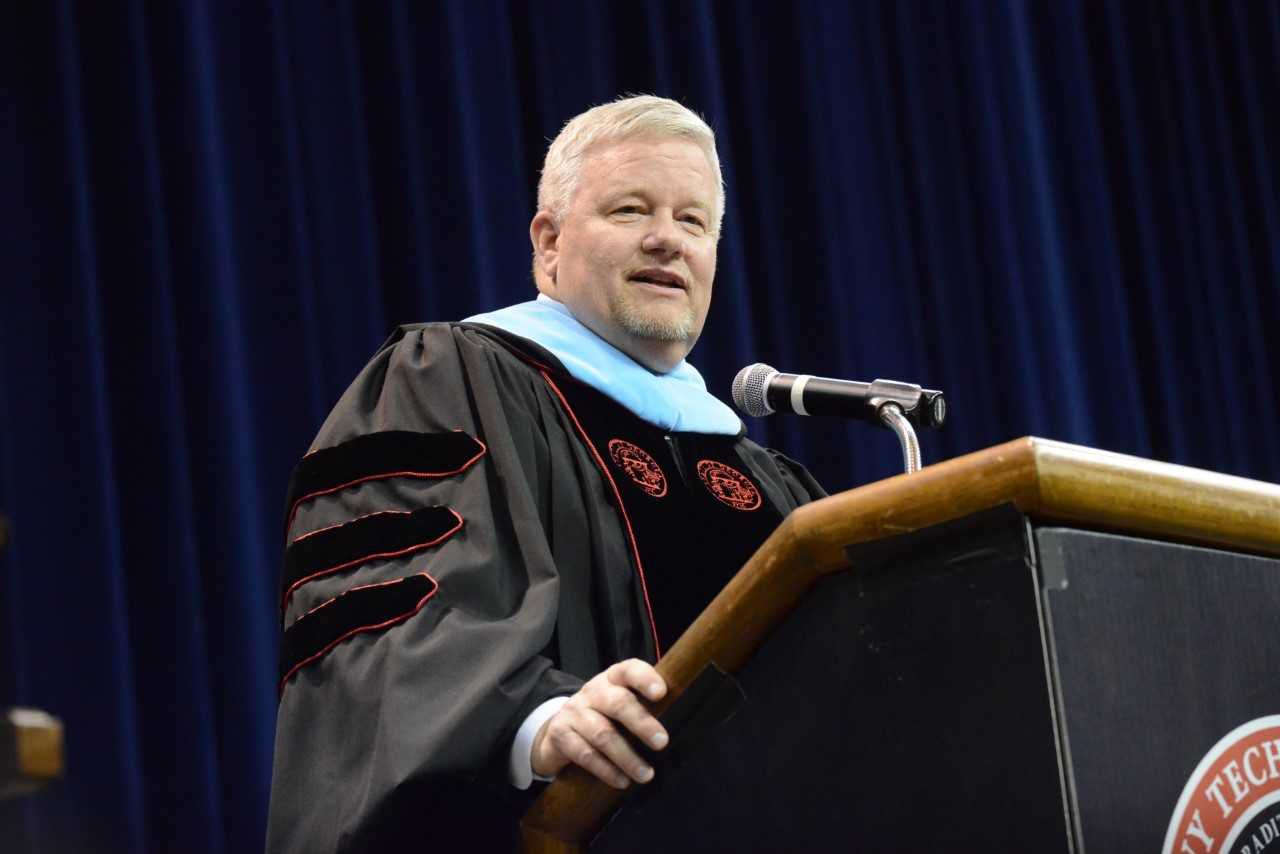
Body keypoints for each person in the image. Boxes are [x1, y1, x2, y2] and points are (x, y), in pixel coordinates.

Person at [266, 95, 825, 852]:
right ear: (549, 243)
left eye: (693, 222)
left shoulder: (771, 489)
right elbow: (386, 615)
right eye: (631, 209)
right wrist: (537, 720)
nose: (667, 239)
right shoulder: (447, 382)